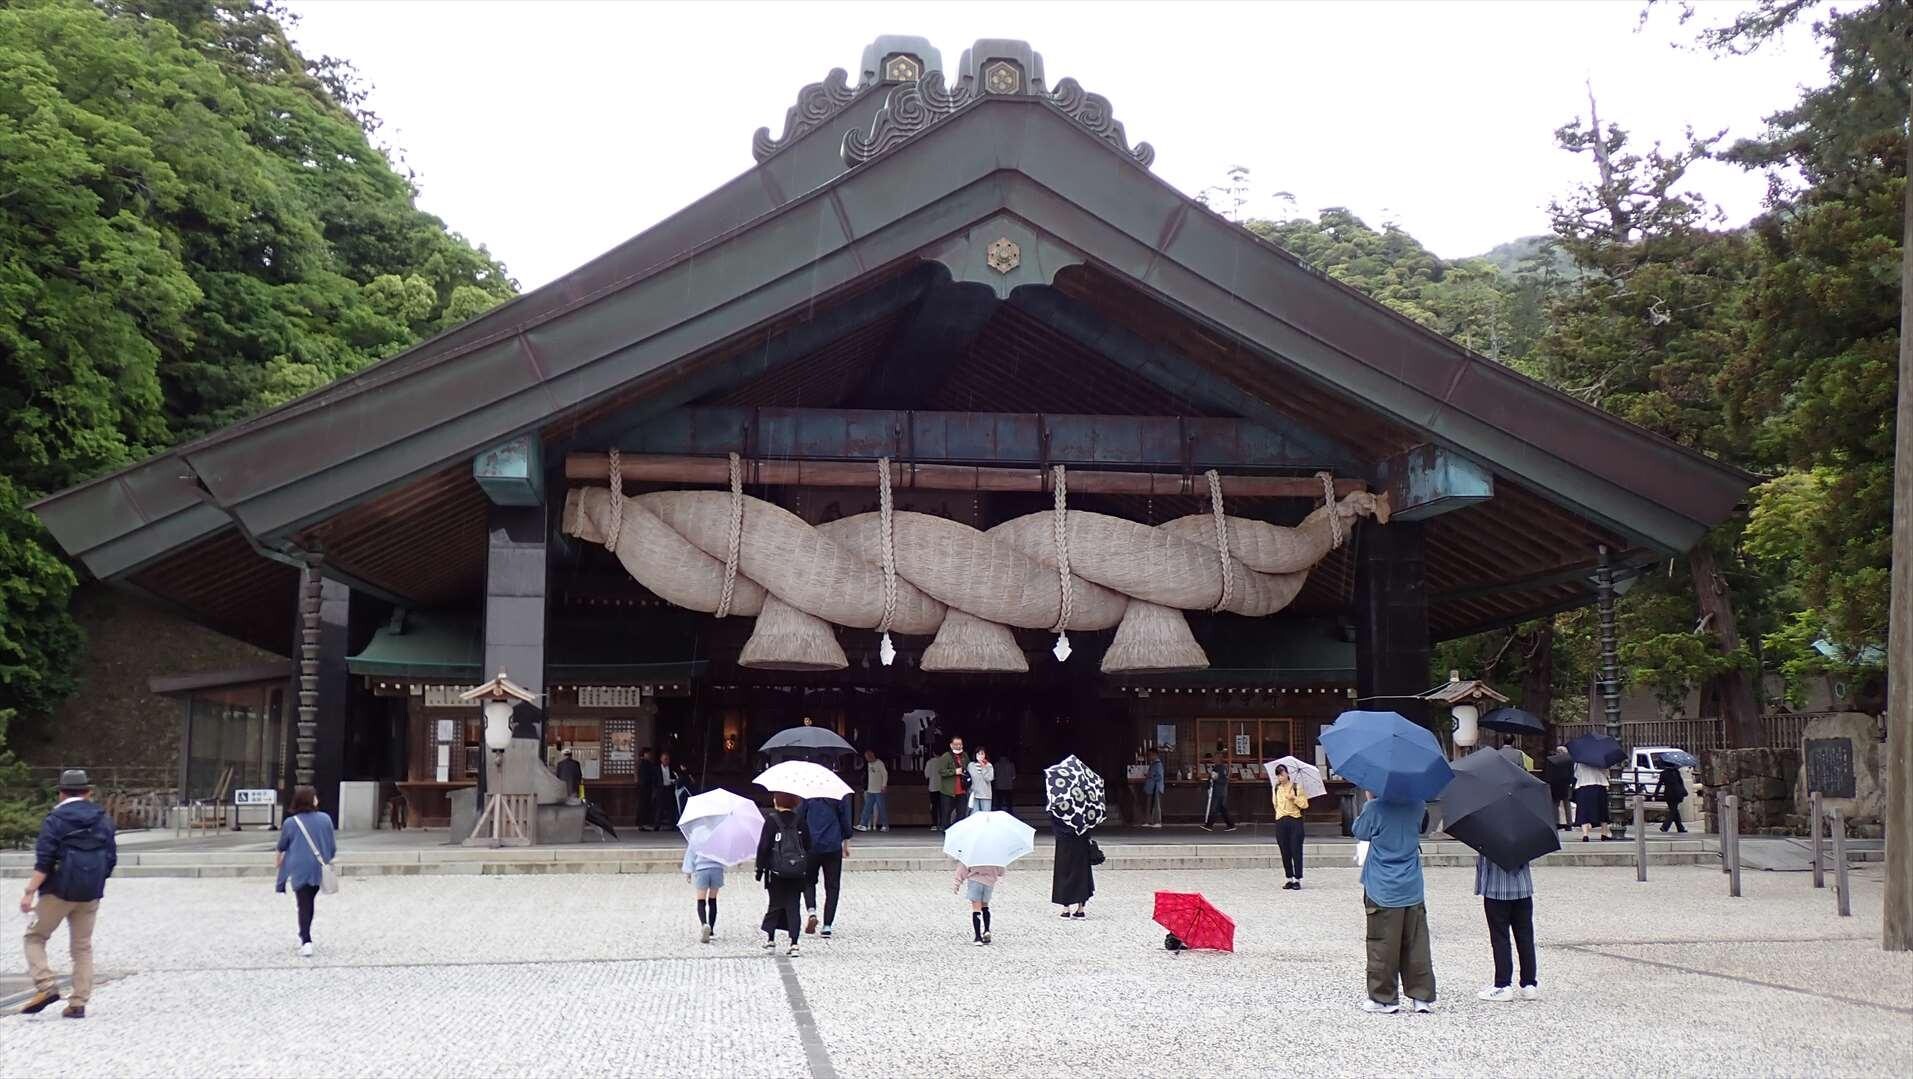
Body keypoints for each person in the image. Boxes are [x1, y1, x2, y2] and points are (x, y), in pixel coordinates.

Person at [17, 769, 116, 1019]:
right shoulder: (102, 818)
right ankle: (78, 1002)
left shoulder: (55, 819)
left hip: (57, 891)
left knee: (35, 937)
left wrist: (29, 892)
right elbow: (111, 858)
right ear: (88, 792)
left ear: (61, 793)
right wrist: (94, 880)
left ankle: (46, 986)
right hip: (90, 892)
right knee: (82, 947)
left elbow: (45, 861)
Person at [1352, 794, 1436, 1014]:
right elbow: (1421, 827)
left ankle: (1384, 997)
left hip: (1383, 884)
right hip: (1411, 883)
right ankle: (1421, 996)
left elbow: (1359, 831)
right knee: (1416, 942)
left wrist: (1369, 801)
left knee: (1382, 942)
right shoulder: (1417, 803)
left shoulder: (1375, 807)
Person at [274, 785, 337, 958]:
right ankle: (305, 935)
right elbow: (332, 847)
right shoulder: (325, 819)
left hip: (299, 867)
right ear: (311, 800)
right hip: (318, 867)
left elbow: (283, 845)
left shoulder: (290, 823)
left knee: (303, 903)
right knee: (309, 902)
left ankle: (306, 940)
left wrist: (279, 859)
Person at [1474, 852, 1539, 1002]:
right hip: (1522, 887)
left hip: (1496, 889)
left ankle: (1503, 984)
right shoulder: (1525, 831)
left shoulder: (1488, 832)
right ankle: (1529, 984)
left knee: (1500, 938)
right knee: (1525, 937)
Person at [755, 792, 812, 957]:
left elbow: (764, 847)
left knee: (775, 904)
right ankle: (794, 943)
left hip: (776, 871)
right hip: (796, 872)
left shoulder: (772, 821)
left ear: (776, 801)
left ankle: (771, 940)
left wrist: (760, 869)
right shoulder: (800, 820)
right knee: (794, 906)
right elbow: (808, 844)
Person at [802, 792, 852, 938]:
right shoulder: (839, 796)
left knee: (808, 881)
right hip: (833, 845)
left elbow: (800, 818)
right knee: (832, 886)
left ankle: (811, 910)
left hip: (812, 845)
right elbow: (845, 821)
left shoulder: (808, 797)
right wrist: (846, 839)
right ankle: (827, 925)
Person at [1049, 813, 1095, 918]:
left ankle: (1066, 908)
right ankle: (1081, 909)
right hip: (1081, 840)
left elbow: (1054, 819)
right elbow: (1089, 821)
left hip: (1064, 842)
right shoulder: (1085, 804)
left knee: (1064, 872)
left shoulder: (1059, 802)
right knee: (1082, 873)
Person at [1272, 764, 1308, 890]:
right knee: (1284, 850)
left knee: (1296, 849)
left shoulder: (1297, 787)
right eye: (1278, 775)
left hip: (1295, 820)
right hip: (1281, 820)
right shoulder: (1276, 788)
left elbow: (1305, 804)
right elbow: (1275, 804)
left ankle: (1297, 878)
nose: (1280, 777)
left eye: (1282, 774)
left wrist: (1294, 798)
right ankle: (1289, 877)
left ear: (1287, 773)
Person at [683, 840, 726, 944]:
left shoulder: (696, 835)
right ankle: (711, 930)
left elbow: (690, 855)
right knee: (713, 899)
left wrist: (688, 872)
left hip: (701, 869)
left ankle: (704, 924)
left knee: (701, 899)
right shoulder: (720, 834)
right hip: (717, 869)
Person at [954, 862, 1004, 945]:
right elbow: (1001, 871)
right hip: (989, 883)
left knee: (976, 908)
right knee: (985, 906)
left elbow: (962, 869)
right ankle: (986, 930)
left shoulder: (972, 854)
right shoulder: (994, 856)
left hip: (975, 881)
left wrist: (957, 883)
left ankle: (978, 937)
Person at [932, 737, 970, 829]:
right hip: (948, 791)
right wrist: (954, 771)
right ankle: (946, 832)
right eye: (956, 744)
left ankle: (958, 832)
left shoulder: (965, 756)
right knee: (946, 814)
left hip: (962, 791)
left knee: (961, 814)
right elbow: (941, 771)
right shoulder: (946, 756)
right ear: (951, 745)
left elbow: (969, 768)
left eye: (960, 744)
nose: (958, 746)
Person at [1573, 756, 1613, 842]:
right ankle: (1604, 834)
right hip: (1599, 786)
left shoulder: (1579, 761)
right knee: (1602, 810)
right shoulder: (1601, 760)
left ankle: (1585, 835)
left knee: (1584, 811)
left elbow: (1576, 774)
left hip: (1583, 786)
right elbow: (1606, 773)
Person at [1199, 754, 1237, 832]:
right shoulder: (1221, 768)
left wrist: (1214, 780)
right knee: (1222, 808)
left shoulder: (1220, 768)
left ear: (1219, 759)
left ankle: (1209, 825)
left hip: (1219, 791)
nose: (1213, 759)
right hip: (1220, 790)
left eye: (1215, 758)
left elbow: (1222, 780)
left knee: (1215, 808)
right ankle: (1230, 825)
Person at [856, 750, 889, 832]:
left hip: (879, 790)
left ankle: (885, 825)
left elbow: (885, 774)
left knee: (881, 808)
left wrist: (884, 785)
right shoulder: (868, 764)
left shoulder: (879, 763)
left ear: (872, 756)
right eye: (866, 758)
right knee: (867, 808)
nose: (867, 759)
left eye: (868, 757)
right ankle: (863, 824)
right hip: (870, 789)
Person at [1545, 747, 1574, 831]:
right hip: (1565, 784)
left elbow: (1548, 774)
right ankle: (1569, 823)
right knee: (1567, 804)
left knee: (1555, 804)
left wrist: (1549, 783)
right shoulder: (1569, 760)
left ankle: (1556, 822)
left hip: (1555, 784)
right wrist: (1570, 782)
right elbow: (1571, 773)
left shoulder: (1550, 760)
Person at [1657, 759, 1689, 833]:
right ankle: (1665, 826)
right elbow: (1681, 783)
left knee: (1674, 810)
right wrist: (1684, 791)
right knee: (1673, 811)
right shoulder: (1676, 772)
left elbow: (1659, 784)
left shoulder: (1663, 773)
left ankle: (1680, 827)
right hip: (1677, 794)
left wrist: (1655, 794)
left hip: (1668, 794)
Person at [658, 751, 684, 828]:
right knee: (659, 807)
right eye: (665, 759)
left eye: (667, 759)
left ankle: (672, 825)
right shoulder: (657, 768)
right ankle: (657, 824)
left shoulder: (672, 768)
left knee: (670, 807)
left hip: (669, 789)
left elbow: (676, 777)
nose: (666, 761)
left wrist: (674, 781)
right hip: (661, 789)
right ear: (661, 759)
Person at [637, 748, 661, 830]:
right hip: (644, 787)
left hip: (645, 787)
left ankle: (643, 823)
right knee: (643, 805)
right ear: (644, 754)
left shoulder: (647, 763)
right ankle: (642, 824)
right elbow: (645, 776)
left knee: (645, 805)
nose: (649, 755)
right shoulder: (644, 764)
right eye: (648, 754)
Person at [967, 747, 995, 814]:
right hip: (974, 794)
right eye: (978, 754)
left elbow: (990, 778)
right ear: (975, 755)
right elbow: (968, 778)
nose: (980, 756)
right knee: (974, 816)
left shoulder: (989, 765)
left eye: (982, 754)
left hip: (985, 795)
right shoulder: (971, 765)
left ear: (985, 755)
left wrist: (983, 767)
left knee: (986, 816)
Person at [1142, 751, 1165, 828]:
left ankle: (1158, 821)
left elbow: (1159, 776)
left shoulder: (1158, 764)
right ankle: (1149, 821)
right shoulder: (1153, 764)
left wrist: (1150, 776)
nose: (1149, 757)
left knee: (1156, 805)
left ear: (1155, 755)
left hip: (1156, 787)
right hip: (1151, 787)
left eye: (1151, 755)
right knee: (1149, 805)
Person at [925, 758, 942, 832]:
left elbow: (926, 775)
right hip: (943, 787)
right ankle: (942, 824)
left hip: (933, 787)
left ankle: (934, 824)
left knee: (934, 806)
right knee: (942, 807)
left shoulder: (930, 762)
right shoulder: (944, 761)